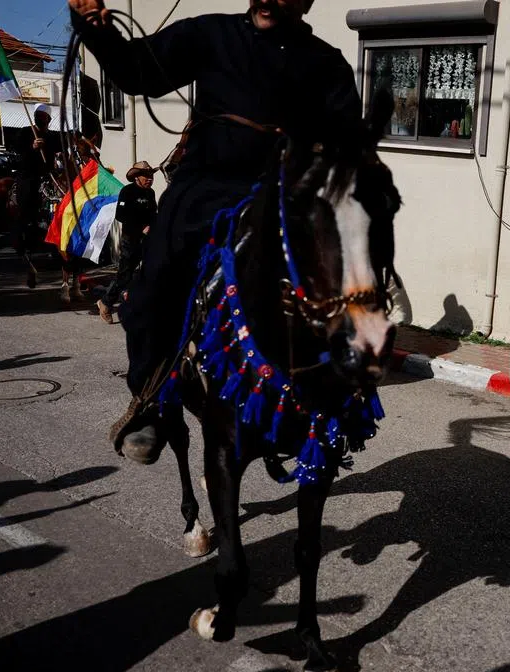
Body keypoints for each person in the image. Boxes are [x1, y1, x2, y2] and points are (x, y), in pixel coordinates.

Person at [69, 0, 364, 464]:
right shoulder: (209, 33)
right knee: (154, 280)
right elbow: (139, 72)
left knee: (336, 285)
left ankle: (333, 406)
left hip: (283, 194)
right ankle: (149, 398)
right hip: (205, 187)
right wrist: (95, 29)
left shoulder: (326, 63)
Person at [98, 161, 157, 324]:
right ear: (137, 177)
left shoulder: (150, 193)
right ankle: (105, 303)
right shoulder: (127, 192)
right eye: (146, 176)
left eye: (151, 176)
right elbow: (121, 215)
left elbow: (154, 214)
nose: (150, 179)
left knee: (149, 273)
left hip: (147, 241)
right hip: (130, 240)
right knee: (124, 275)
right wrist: (141, 228)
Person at [11, 103, 57, 258]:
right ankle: (22, 239)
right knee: (26, 203)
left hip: (48, 176)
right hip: (28, 175)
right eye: (38, 116)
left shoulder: (52, 136)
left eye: (43, 116)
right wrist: (32, 147)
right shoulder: (25, 132)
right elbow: (17, 151)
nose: (40, 119)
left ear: (48, 119)